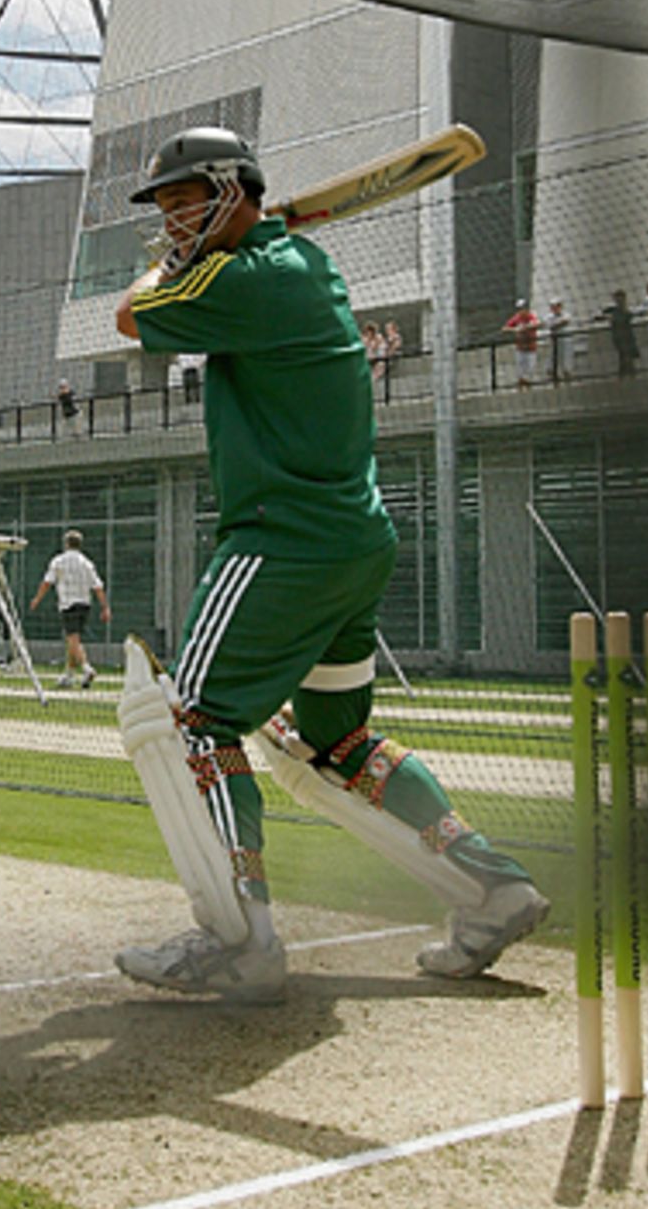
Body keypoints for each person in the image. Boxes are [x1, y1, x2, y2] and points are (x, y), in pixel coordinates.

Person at [113, 125, 547, 1003]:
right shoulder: (294, 269)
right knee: (336, 740)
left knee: (190, 717)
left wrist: (173, 264)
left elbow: (129, 316)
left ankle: (238, 939)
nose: (171, 223)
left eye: (183, 200)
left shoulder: (250, 279)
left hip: (282, 539)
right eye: (163, 207)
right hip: (352, 540)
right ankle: (494, 886)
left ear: (235, 189)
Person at [30, 531, 110, 689]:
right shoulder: (87, 563)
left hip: (68, 603)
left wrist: (37, 599)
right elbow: (98, 587)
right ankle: (69, 674)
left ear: (66, 544)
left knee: (73, 639)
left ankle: (87, 668)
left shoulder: (59, 561)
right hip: (85, 603)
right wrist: (105, 607)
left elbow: (47, 582)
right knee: (73, 639)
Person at [501, 299, 540, 389]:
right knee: (520, 367)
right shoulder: (517, 318)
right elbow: (504, 328)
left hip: (531, 347)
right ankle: (521, 382)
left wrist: (526, 327)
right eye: (519, 309)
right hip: (520, 347)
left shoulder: (531, 317)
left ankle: (528, 382)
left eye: (523, 309)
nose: (521, 311)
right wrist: (515, 329)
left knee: (531, 367)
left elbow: (536, 324)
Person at [604, 289, 639, 378]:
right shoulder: (612, 311)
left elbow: (628, 317)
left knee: (627, 358)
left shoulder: (627, 311)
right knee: (623, 357)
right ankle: (625, 376)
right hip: (618, 337)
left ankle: (628, 376)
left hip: (627, 337)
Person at [545, 297, 571, 385]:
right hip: (554, 339)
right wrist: (557, 324)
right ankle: (554, 374)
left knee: (566, 355)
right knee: (553, 356)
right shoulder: (549, 316)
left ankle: (566, 372)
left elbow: (565, 321)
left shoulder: (566, 314)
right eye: (553, 306)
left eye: (557, 306)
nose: (555, 308)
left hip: (565, 339)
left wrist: (556, 324)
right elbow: (551, 325)